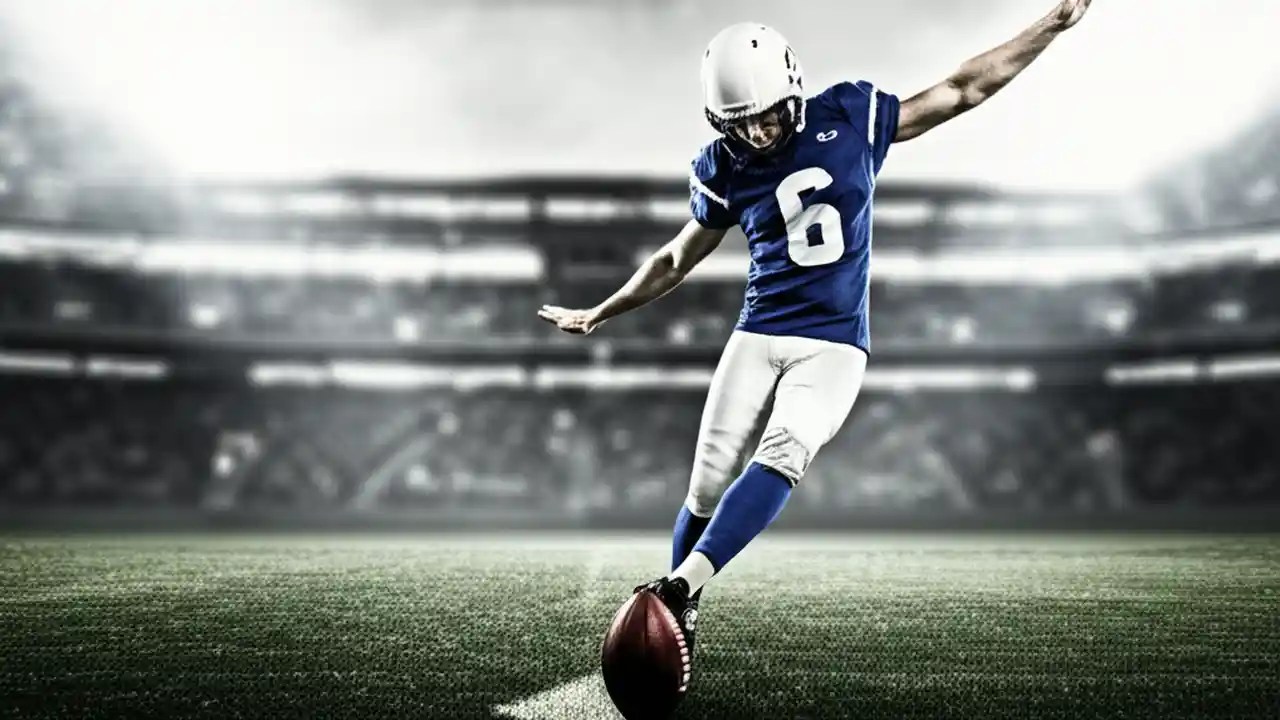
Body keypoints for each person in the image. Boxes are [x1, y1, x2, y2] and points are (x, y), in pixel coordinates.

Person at [538, 0, 1095, 691]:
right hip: (759, 329)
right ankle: (688, 603)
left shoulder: (850, 114)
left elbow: (961, 89)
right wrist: (603, 309)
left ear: (794, 88)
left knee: (787, 449)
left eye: (769, 113)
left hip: (833, 343)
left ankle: (677, 593)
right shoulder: (723, 165)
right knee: (706, 481)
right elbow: (677, 258)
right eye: (741, 122)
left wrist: (1047, 26)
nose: (761, 131)